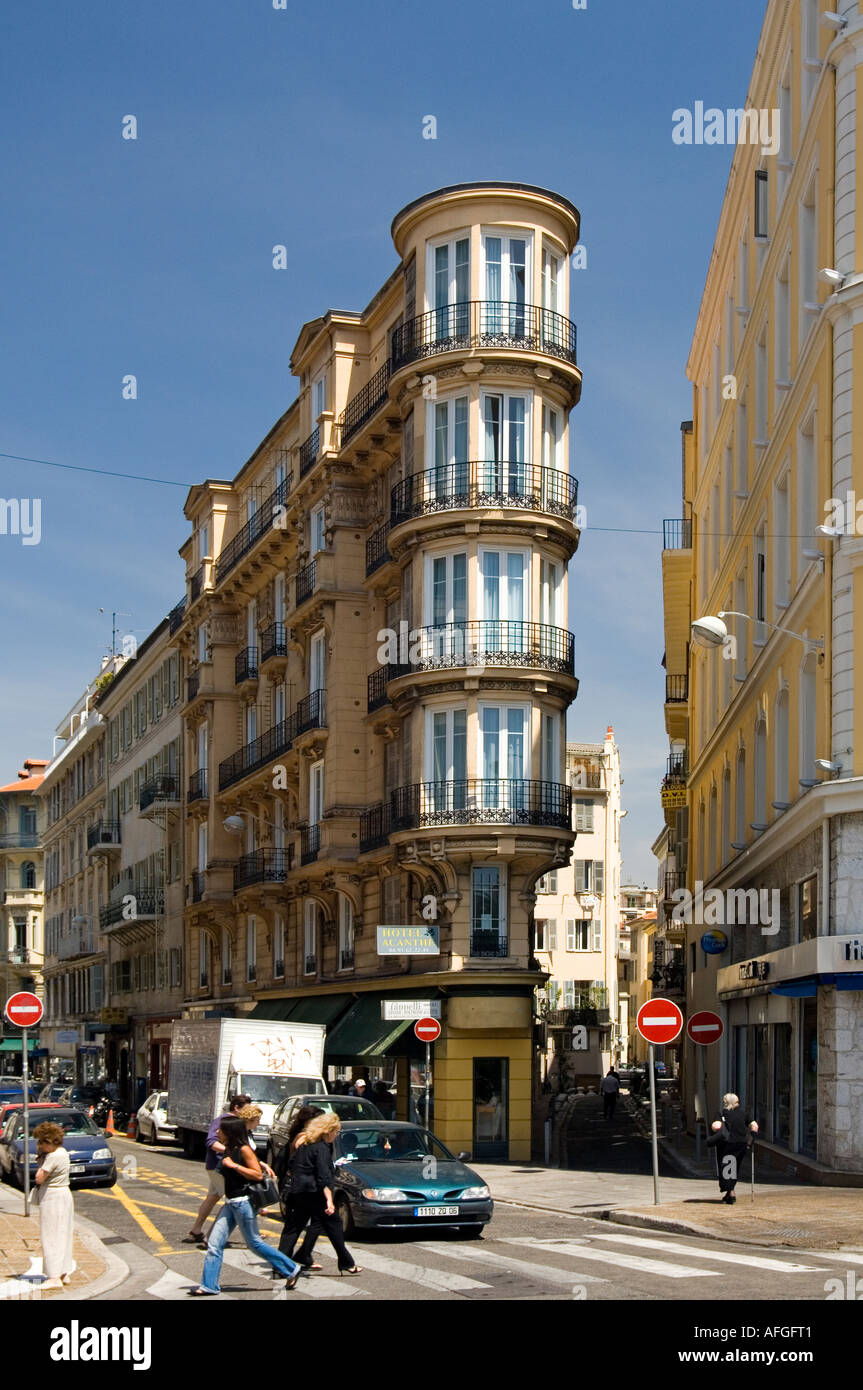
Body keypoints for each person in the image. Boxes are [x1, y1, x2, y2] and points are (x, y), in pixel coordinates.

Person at [189, 1117, 301, 1295]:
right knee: (214, 1243)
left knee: (254, 1243)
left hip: (243, 1203)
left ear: (230, 1132)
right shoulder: (228, 1149)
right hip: (230, 1203)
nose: (217, 1132)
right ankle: (209, 1285)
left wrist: (234, 1166)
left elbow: (256, 1175)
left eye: (221, 1130)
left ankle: (291, 1268)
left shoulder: (243, 1149)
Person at [278, 1112, 362, 1274]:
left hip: (299, 1192)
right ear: (327, 1131)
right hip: (315, 1193)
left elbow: (292, 1163)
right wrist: (329, 1201)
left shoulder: (306, 1144)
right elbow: (324, 1177)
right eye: (336, 1132)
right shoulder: (321, 1148)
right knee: (334, 1224)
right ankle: (346, 1263)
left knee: (294, 1228)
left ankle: (280, 1264)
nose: (336, 1136)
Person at [183, 1092, 252, 1246]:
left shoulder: (237, 1122)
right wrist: (230, 1152)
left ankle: (196, 1230)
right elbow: (210, 1142)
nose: (249, 1113)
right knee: (232, 1201)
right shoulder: (223, 1121)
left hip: (218, 1166)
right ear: (236, 1107)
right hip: (219, 1167)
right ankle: (213, 1236)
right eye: (246, 1109)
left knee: (213, 1197)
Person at [33, 1121, 76, 1290]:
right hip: (64, 1195)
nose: (40, 1146)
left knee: (51, 1236)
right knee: (64, 1234)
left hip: (52, 1198)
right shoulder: (63, 1152)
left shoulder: (52, 1157)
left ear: (49, 1141)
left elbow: (39, 1178)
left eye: (41, 1142)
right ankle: (64, 1272)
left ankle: (53, 1277)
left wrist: (41, 1160)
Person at [710, 1092, 758, 1204]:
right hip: (741, 1144)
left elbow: (716, 1126)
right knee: (734, 1167)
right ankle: (729, 1193)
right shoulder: (744, 1113)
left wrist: (714, 1128)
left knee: (726, 1167)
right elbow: (754, 1126)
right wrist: (751, 1140)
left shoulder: (722, 1113)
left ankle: (731, 1192)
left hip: (727, 1144)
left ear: (726, 1103)